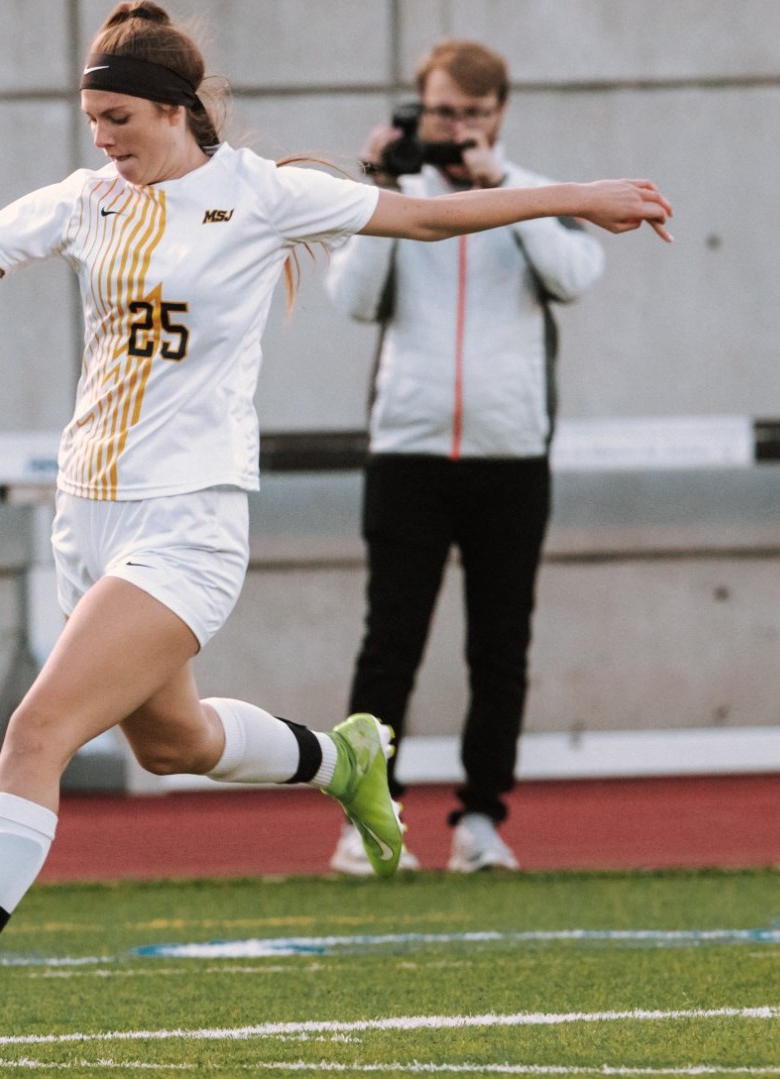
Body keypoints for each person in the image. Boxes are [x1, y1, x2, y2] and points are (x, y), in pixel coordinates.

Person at [0, 0, 670, 1047]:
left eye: (115, 119)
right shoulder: (84, 200)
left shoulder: (262, 195)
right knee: (172, 741)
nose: (99, 140)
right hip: (87, 520)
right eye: (91, 121)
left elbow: (420, 218)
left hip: (188, 521)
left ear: (171, 109)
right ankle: (344, 761)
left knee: (37, 728)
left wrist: (573, 197)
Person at [323, 41, 608, 876]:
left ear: (499, 117)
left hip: (511, 454)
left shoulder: (532, 193)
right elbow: (351, 300)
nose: (458, 129)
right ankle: (368, 822)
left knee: (499, 645)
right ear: (420, 108)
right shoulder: (395, 194)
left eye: (474, 116)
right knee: (390, 644)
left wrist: (501, 195)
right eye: (444, 113)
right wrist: (380, 187)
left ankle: (481, 819)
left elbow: (576, 275)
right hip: (407, 451)